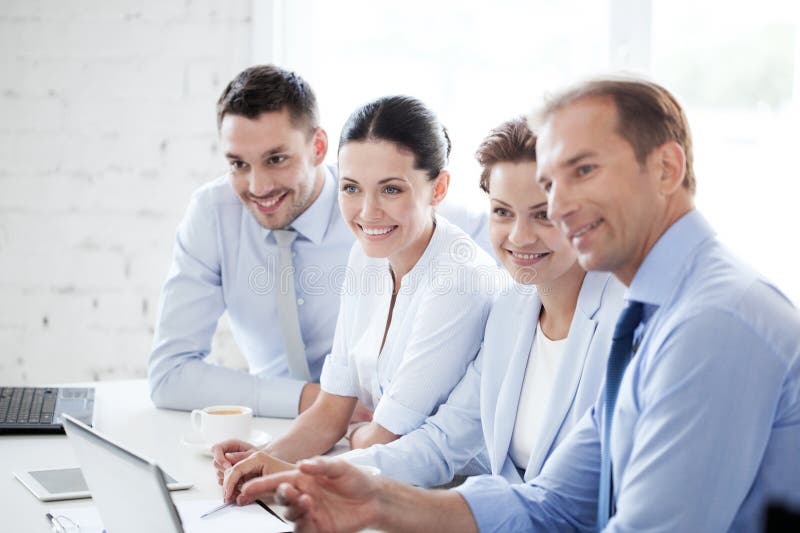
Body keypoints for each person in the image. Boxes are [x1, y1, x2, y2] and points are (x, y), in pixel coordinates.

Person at [235, 78, 800, 533]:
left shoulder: (712, 322)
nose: (563, 204)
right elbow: (554, 503)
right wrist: (377, 500)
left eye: (584, 171)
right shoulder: (650, 313)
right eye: (554, 181)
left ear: (666, 170)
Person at [147, 65, 488, 419]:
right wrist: (320, 403)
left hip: (389, 430)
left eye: (276, 159)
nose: (258, 186)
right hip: (278, 423)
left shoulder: (384, 206)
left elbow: (512, 244)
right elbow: (169, 375)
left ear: (319, 147)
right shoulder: (213, 213)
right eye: (238, 164)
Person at [212, 95, 499, 483]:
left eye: (391, 190)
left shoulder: (459, 279)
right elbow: (332, 409)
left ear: (439, 188)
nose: (367, 212)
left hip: (444, 498)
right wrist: (264, 459)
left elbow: (384, 439)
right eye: (350, 189)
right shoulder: (367, 258)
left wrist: (314, 458)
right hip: (368, 484)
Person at [328, 117, 624, 488]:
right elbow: (444, 442)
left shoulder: (626, 322)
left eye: (543, 214)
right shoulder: (510, 312)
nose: (520, 236)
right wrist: (310, 476)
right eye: (502, 211)